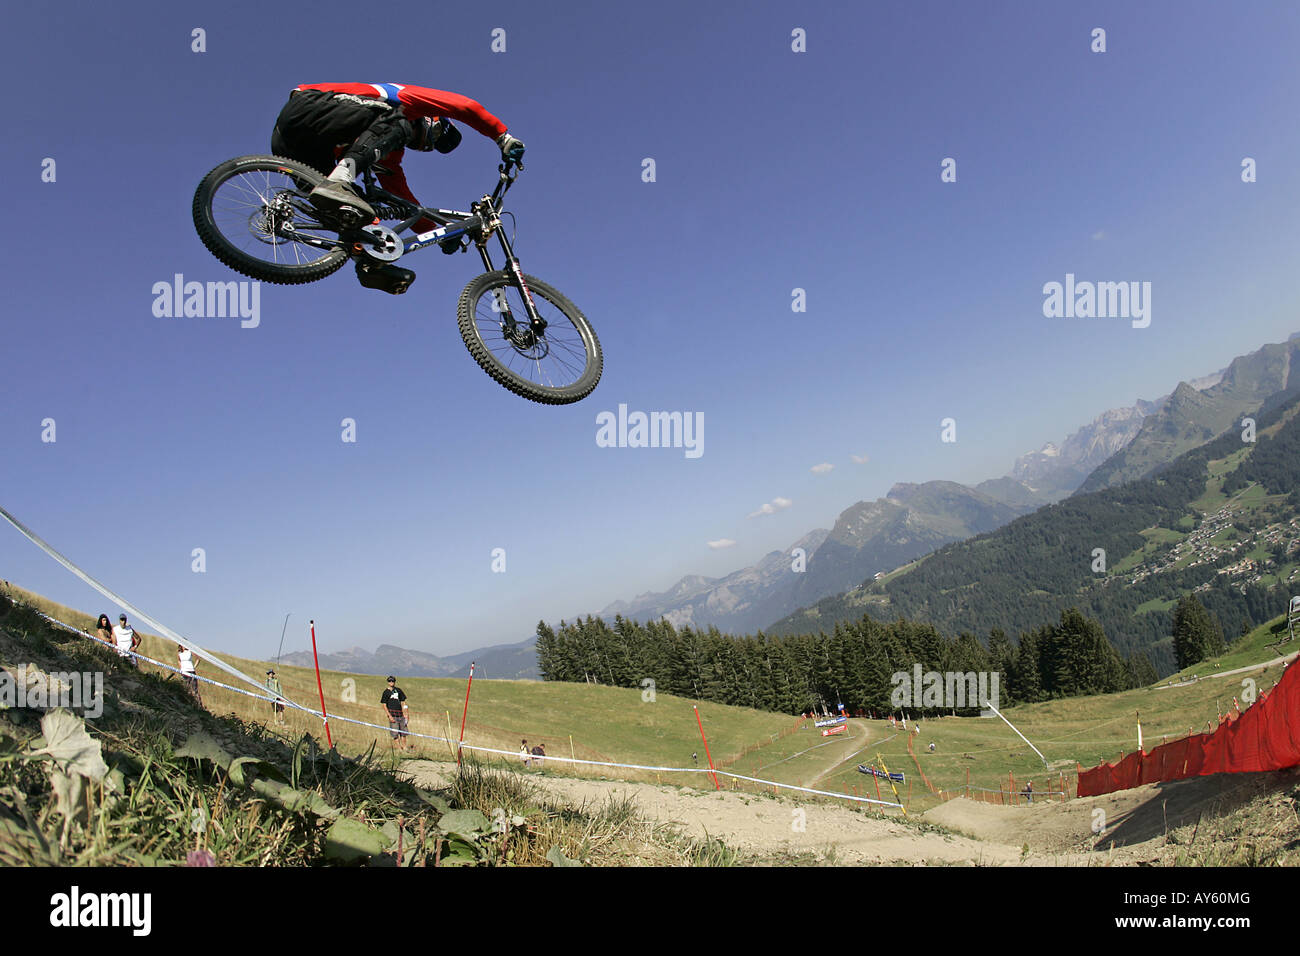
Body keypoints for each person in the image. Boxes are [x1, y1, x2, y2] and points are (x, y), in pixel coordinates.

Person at [269, 82, 526, 295]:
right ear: (432, 119)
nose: (424, 145)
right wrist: (501, 136)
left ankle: (369, 265)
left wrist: (441, 234)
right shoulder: (406, 100)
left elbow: (404, 200)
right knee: (399, 120)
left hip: (292, 145)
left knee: (350, 208)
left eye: (428, 148)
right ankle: (341, 179)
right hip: (307, 107)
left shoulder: (387, 153)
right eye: (434, 137)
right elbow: (464, 106)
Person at [381, 677, 409, 750]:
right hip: (392, 715)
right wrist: (389, 715)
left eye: (392, 681)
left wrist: (406, 714)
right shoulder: (386, 692)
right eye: (390, 681)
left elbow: (403, 702)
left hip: (401, 715)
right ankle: (398, 748)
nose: (391, 682)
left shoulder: (398, 690)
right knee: (395, 733)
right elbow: (384, 705)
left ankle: (404, 747)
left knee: (403, 732)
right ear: (388, 682)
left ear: (394, 682)